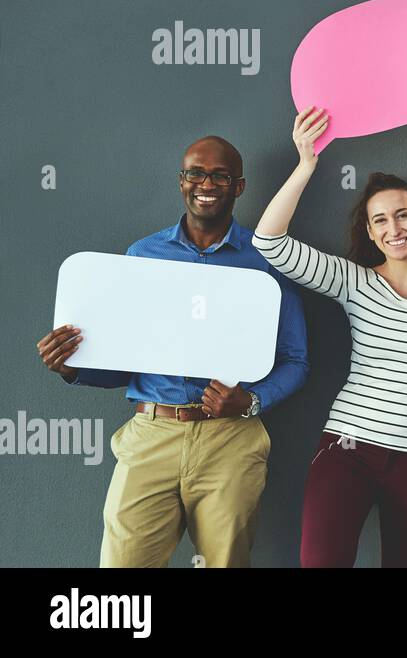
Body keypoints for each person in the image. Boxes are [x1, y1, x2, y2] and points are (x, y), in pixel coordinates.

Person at [35, 136, 309, 567]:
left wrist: (252, 401)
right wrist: (74, 369)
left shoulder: (268, 261)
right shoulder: (142, 256)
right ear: (181, 181)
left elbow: (296, 360)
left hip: (230, 437)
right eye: (195, 173)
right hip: (151, 432)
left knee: (225, 562)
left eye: (220, 175)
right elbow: (126, 362)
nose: (206, 183)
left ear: (239, 186)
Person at [253, 107, 407, 567]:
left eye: (401, 216)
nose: (393, 228)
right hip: (347, 450)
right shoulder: (353, 280)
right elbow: (269, 241)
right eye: (380, 221)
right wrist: (306, 165)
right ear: (371, 232)